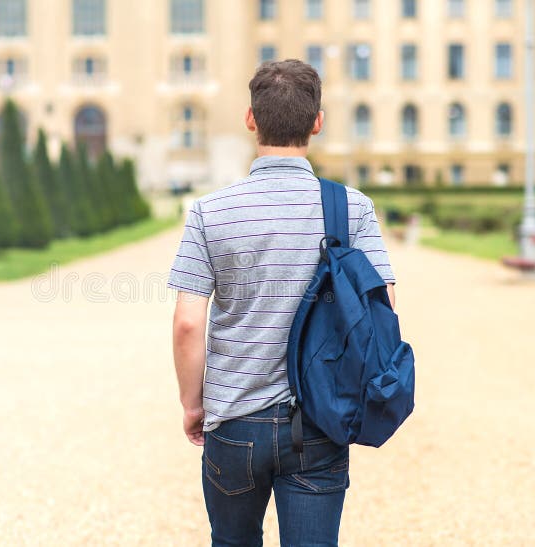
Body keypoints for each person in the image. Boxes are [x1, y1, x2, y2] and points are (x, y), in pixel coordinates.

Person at [166, 59, 397, 546]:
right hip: (320, 418)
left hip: (233, 419)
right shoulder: (352, 208)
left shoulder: (210, 212)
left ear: (251, 119)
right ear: (317, 122)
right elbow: (383, 311)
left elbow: (189, 323)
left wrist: (193, 403)